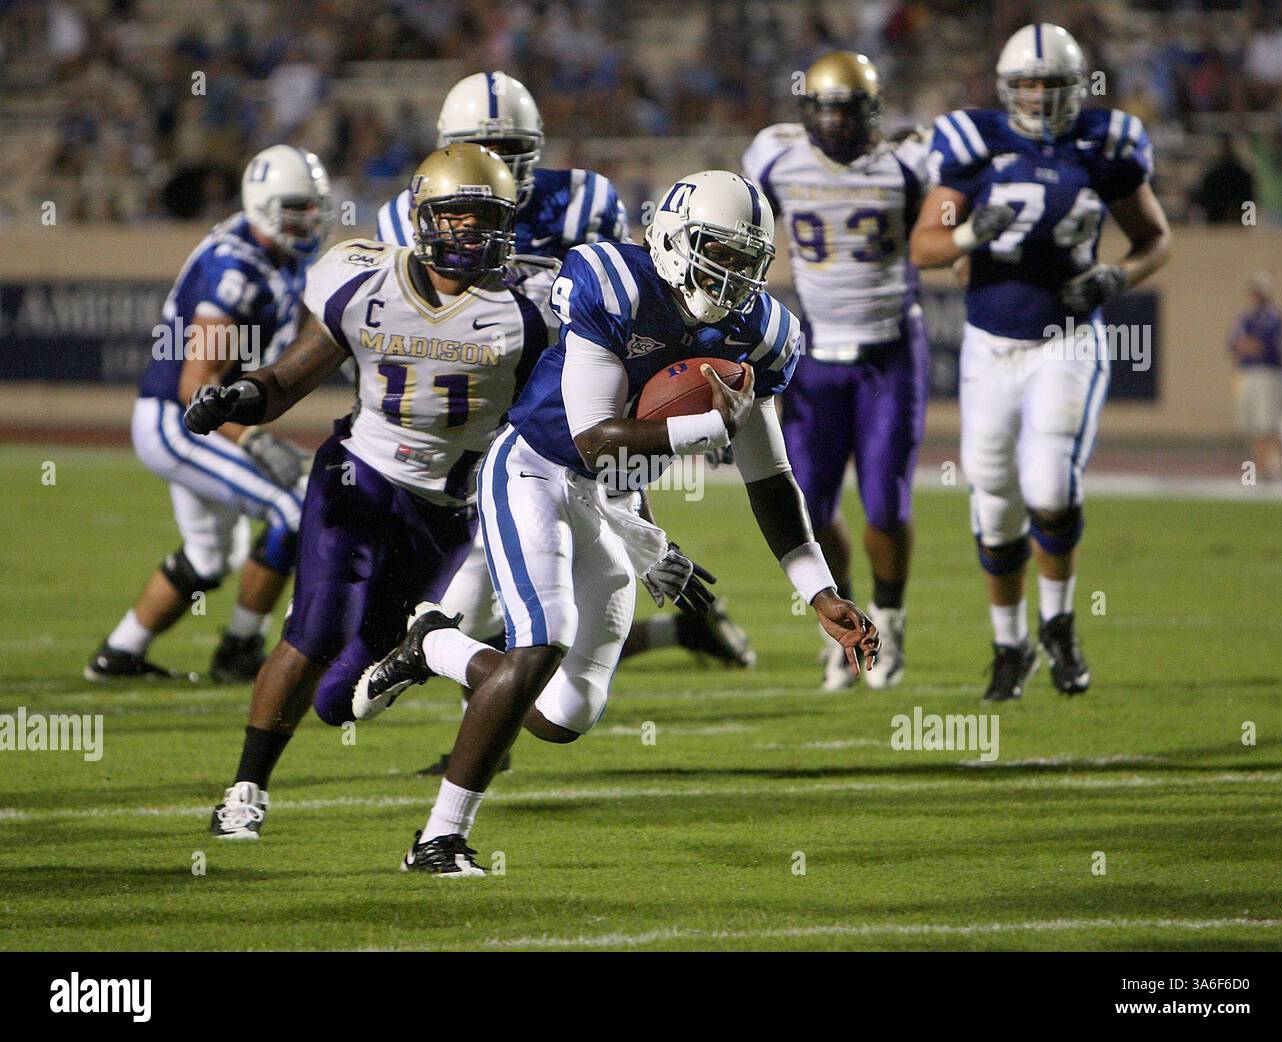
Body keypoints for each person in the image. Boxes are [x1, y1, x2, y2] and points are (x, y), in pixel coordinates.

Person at [355, 170, 880, 875]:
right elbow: (594, 439)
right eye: (717, 251)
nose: (730, 274)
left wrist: (819, 591)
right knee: (542, 641)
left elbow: (770, 480)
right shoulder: (615, 284)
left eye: (745, 259)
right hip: (535, 470)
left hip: (611, 501)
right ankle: (438, 840)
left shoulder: (760, 333)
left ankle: (436, 645)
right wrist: (707, 429)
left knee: (566, 714)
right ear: (672, 239)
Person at [378, 71, 757, 778]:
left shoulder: (585, 201)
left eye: (510, 147)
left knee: (535, 595)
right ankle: (456, 692)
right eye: (481, 145)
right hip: (477, 404)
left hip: (567, 401)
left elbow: (642, 305)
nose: (496, 158)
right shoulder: (412, 211)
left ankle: (454, 687)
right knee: (505, 589)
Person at [184, 145, 548, 839]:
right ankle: (245, 792)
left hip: (448, 511)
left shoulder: (533, 306)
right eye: (459, 217)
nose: (472, 233)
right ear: (424, 218)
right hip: (358, 478)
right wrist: (236, 397)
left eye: (487, 219)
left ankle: (410, 656)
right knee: (316, 630)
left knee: (337, 701)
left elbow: (571, 410)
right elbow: (285, 380)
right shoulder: (361, 279)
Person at [911, 23, 1172, 701]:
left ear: (1075, 87)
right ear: (1006, 89)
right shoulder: (973, 142)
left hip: (1067, 339)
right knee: (995, 501)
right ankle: (1009, 644)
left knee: (1050, 487)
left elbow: (1154, 239)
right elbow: (925, 246)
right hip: (989, 344)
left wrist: (1117, 277)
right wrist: (969, 233)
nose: (1037, 96)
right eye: (1025, 84)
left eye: (1050, 84)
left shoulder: (1104, 144)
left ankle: (1059, 624)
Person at [86, 145, 329, 684]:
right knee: (294, 507)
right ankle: (240, 648)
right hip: (180, 420)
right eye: (297, 208)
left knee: (210, 556)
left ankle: (119, 654)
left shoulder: (275, 254)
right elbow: (196, 386)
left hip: (199, 418)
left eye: (314, 207)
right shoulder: (234, 269)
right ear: (264, 205)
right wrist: (254, 441)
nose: (309, 219)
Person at [743, 50, 930, 690]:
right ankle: (847, 623)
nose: (837, 123)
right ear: (807, 111)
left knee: (886, 503)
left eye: (848, 111)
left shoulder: (908, 162)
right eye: (825, 110)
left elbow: (940, 227)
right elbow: (746, 230)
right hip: (815, 355)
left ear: (871, 112)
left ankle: (891, 620)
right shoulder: (776, 157)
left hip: (889, 354)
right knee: (812, 505)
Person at [1229, 273, 1282, 481]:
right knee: (1252, 426)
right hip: (1247, 374)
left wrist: (1248, 345)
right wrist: (1248, 345)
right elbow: (1233, 343)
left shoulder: (1274, 317)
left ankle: (1280, 469)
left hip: (1267, 375)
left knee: (1268, 425)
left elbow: (1264, 345)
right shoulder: (1245, 317)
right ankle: (1261, 470)